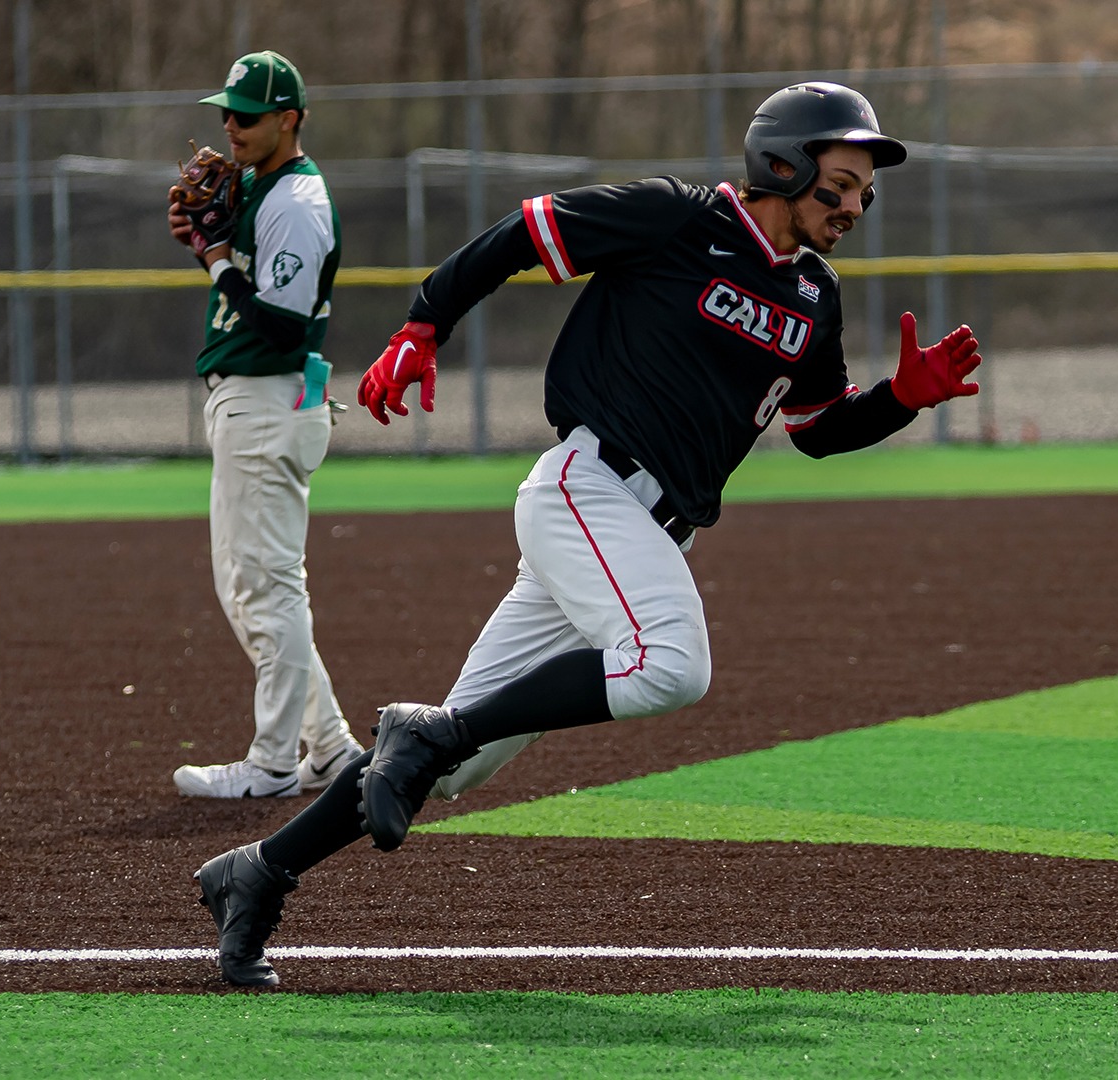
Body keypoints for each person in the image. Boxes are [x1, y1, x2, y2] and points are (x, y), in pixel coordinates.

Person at [191, 82, 983, 986]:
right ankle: (423, 732)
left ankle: (257, 872)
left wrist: (898, 402)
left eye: (865, 193)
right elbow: (523, 233)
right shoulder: (675, 218)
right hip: (589, 489)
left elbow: (816, 428)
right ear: (782, 163)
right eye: (839, 183)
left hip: (641, 533)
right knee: (671, 663)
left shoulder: (814, 292)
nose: (855, 206)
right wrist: (424, 321)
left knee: (451, 769)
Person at [165, 50, 364, 800]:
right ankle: (333, 747)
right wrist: (204, 244)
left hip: (269, 395)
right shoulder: (260, 187)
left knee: (269, 590)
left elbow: (279, 326)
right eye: (225, 113)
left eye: (246, 116)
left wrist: (216, 256)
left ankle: (275, 761)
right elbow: (242, 291)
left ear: (290, 118)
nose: (230, 128)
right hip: (254, 399)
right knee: (251, 588)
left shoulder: (296, 202)